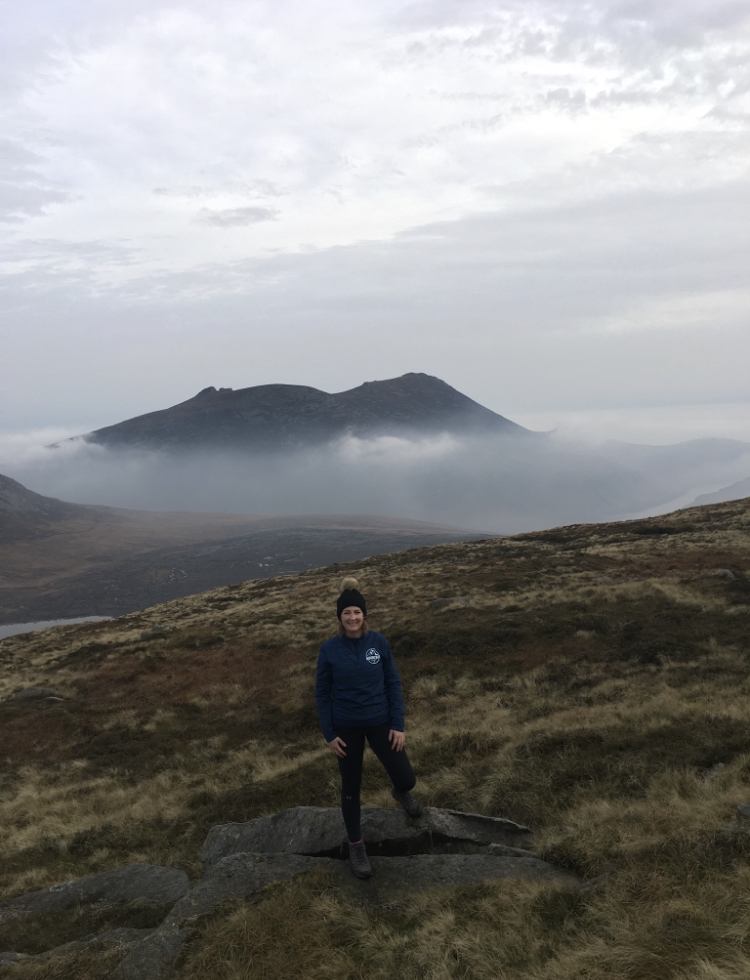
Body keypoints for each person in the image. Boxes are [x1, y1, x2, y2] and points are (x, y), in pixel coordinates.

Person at [315, 577, 422, 879]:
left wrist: (398, 725)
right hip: (345, 729)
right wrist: (330, 735)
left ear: (364, 615)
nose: (352, 618)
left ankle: (401, 793)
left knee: (407, 778)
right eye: (347, 613)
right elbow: (322, 694)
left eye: (357, 612)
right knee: (351, 788)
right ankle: (356, 845)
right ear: (339, 617)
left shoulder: (378, 642)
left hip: (381, 722)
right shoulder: (329, 650)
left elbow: (393, 683)